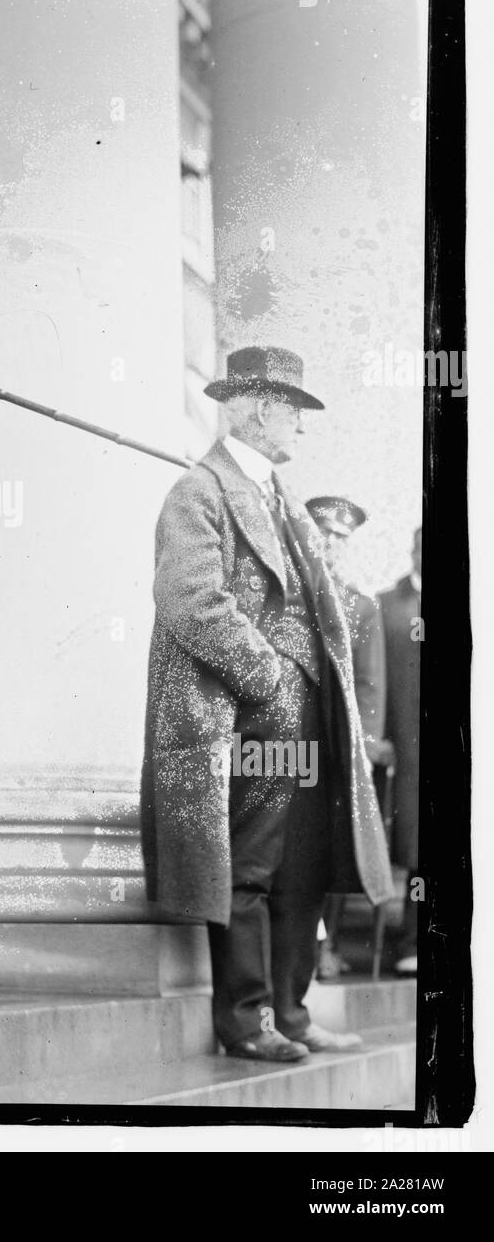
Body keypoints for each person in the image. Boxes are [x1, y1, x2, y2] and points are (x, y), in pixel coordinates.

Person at [140, 347, 394, 1062]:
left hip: (311, 719)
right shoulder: (200, 491)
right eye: (292, 411)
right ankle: (244, 1019)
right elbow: (189, 600)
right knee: (249, 866)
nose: (300, 428)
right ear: (255, 408)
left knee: (303, 868)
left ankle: (290, 1010)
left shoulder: (280, 496)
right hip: (247, 714)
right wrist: (268, 678)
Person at [305, 496, 393, 980]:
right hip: (292, 744)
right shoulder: (291, 594)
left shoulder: (360, 606)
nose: (331, 544)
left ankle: (326, 944)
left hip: (339, 746)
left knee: (334, 843)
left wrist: (365, 741)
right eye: (324, 534)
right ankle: (299, 940)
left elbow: (370, 683)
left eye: (341, 538)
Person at [379, 526, 422, 977]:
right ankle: (410, 940)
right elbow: (374, 678)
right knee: (414, 844)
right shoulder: (387, 606)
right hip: (404, 746)